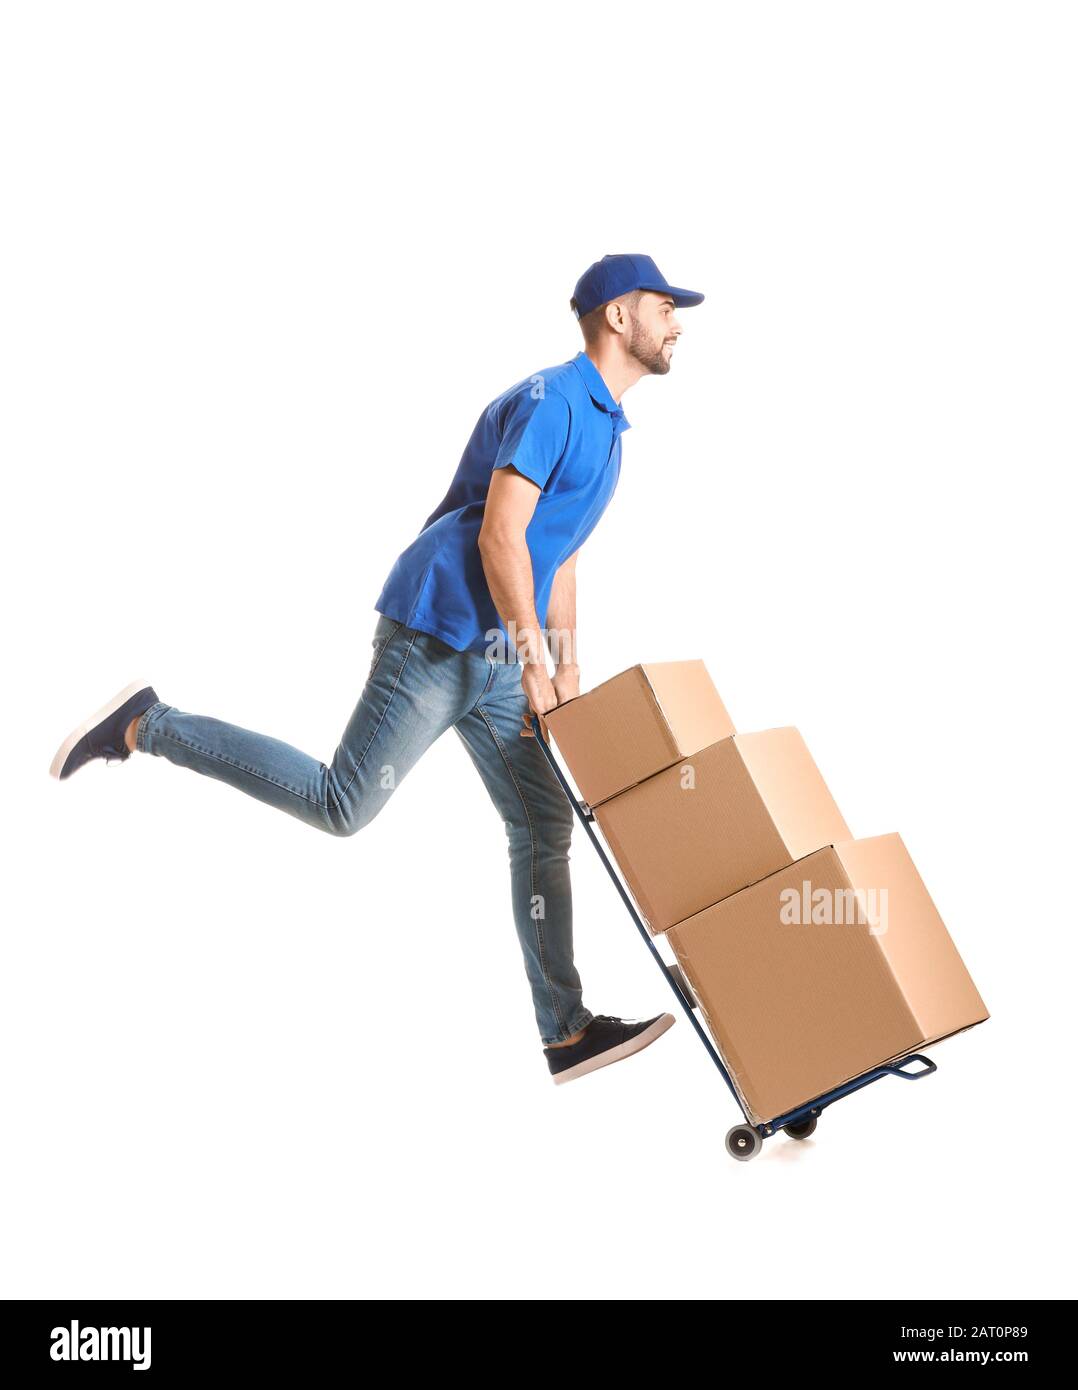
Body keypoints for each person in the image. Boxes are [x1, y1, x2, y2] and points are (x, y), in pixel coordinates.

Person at [49, 253, 704, 1085]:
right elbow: (500, 537)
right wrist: (536, 665)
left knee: (542, 824)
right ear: (619, 317)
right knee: (341, 804)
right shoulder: (552, 400)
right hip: (439, 630)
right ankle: (150, 723)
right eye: (664, 306)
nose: (677, 320)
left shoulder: (608, 427)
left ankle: (565, 1030)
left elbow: (558, 556)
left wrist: (565, 673)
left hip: (498, 649)